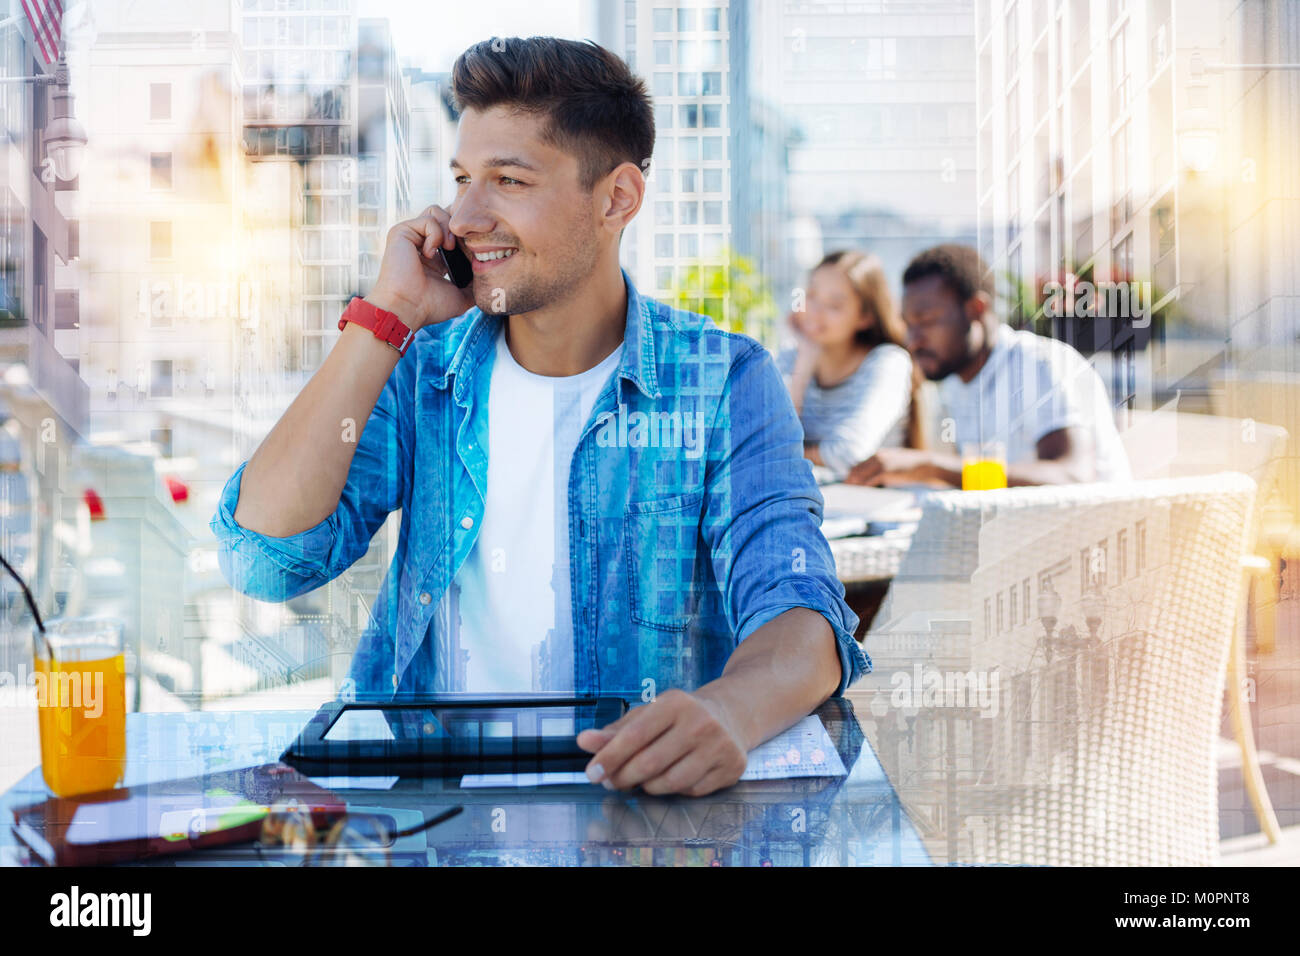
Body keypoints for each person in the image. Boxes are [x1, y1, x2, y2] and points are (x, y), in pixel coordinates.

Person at [209, 37, 867, 798]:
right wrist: (385, 315)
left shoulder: (722, 381)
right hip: (436, 815)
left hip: (636, 824)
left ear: (617, 198)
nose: (463, 216)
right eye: (461, 179)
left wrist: (730, 710)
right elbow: (263, 559)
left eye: (508, 181)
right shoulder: (421, 369)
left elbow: (802, 612)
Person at [846, 244, 1131, 487]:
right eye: (908, 325)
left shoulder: (1037, 364)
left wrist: (933, 467)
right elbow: (980, 483)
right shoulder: (957, 381)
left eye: (927, 322)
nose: (913, 340)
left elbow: (1072, 476)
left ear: (976, 310)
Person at [777, 251, 924, 482]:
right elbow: (765, 438)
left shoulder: (888, 363)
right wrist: (804, 364)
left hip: (870, 507)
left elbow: (849, 454)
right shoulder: (793, 355)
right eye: (812, 295)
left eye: (834, 305)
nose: (815, 311)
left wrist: (779, 458)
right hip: (803, 506)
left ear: (865, 316)